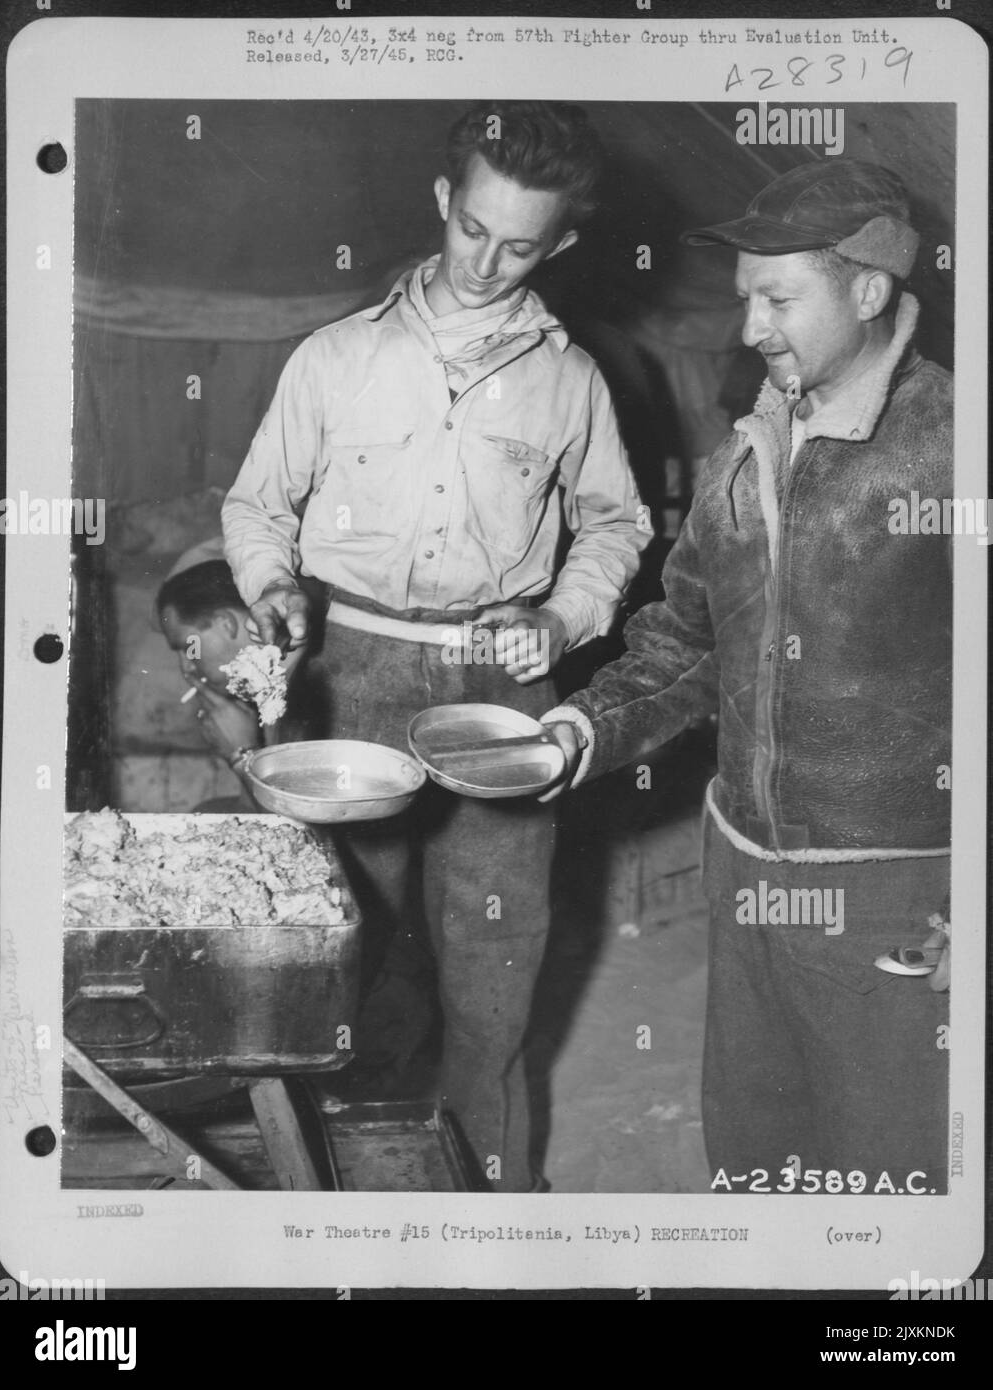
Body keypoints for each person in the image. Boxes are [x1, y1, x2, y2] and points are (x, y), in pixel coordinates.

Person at [221, 101, 650, 1191]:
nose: (488, 262)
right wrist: (274, 591)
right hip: (348, 667)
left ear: (558, 244)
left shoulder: (572, 382)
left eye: (520, 245)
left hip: (499, 685)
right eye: (473, 228)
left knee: (495, 959)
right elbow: (258, 506)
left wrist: (560, 619)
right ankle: (320, 1187)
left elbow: (618, 525)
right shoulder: (335, 358)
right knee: (331, 944)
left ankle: (488, 1198)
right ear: (443, 203)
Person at [543, 159, 953, 1192]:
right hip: (747, 863)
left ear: (867, 289)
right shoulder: (744, 453)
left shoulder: (955, 452)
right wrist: (582, 730)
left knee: (889, 1171)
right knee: (758, 1155)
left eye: (779, 299)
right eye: (743, 302)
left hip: (897, 883)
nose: (750, 330)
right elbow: (686, 642)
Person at [156, 559, 312, 791]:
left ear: (225, 623)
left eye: (189, 648)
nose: (186, 667)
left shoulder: (304, 694)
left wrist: (242, 754)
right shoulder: (277, 684)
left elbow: (300, 824)